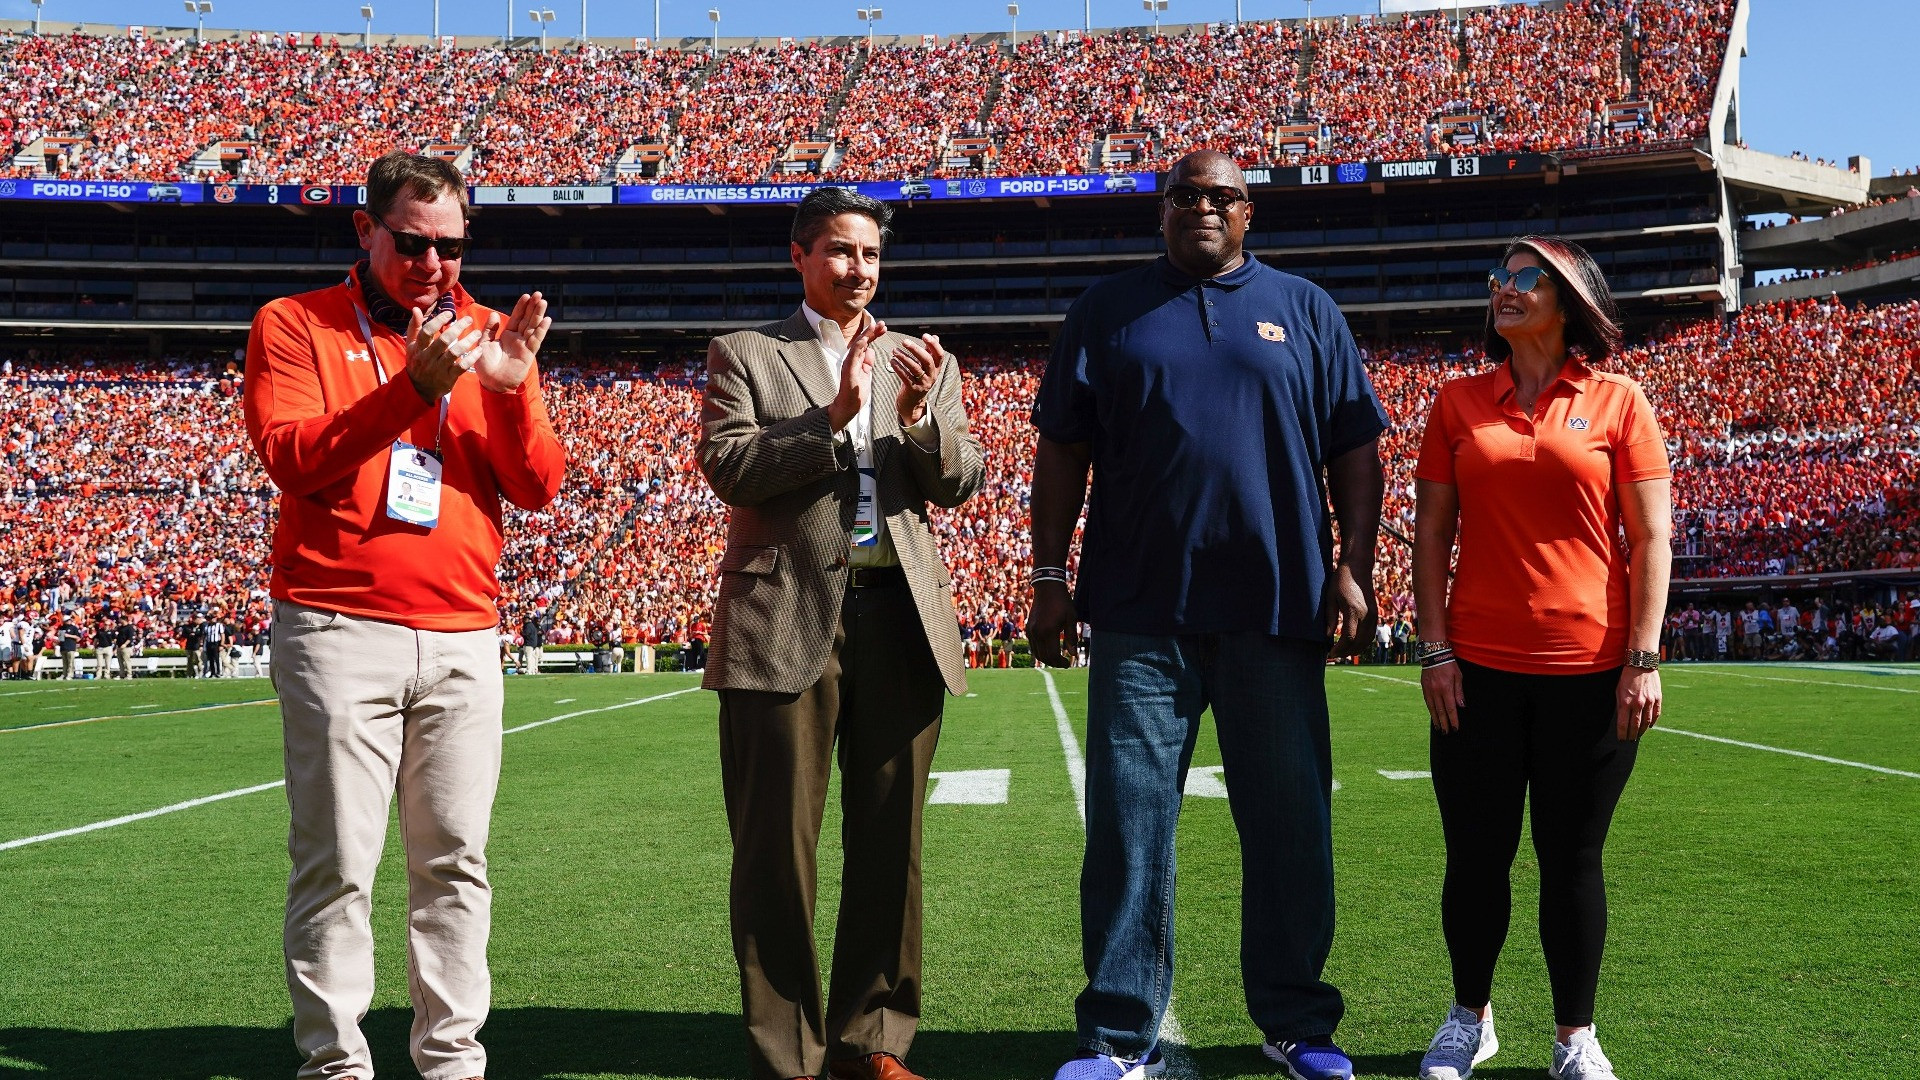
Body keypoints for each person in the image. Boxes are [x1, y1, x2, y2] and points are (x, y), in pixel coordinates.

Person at [1028, 150, 1387, 1080]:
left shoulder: (1307, 310)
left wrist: (1353, 565)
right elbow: (1062, 452)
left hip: (1277, 608)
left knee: (1289, 824)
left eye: (1221, 196)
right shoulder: (1104, 312)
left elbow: (1355, 451)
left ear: (1248, 213)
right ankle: (1116, 1034)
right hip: (1141, 613)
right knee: (1129, 826)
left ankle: (1297, 1022)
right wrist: (1046, 577)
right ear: (1162, 212)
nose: (1202, 207)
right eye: (1185, 195)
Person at [243, 150, 565, 1080]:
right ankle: (336, 1063)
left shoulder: (488, 331)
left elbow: (538, 485)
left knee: (457, 865)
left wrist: (506, 392)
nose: (434, 266)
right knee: (338, 864)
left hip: (465, 631)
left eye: (453, 247)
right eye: (414, 243)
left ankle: (453, 1061)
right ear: (364, 230)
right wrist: (411, 388)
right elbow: (295, 459)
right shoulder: (294, 324)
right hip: (339, 627)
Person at [696, 186, 985, 1080]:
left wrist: (918, 418)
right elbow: (728, 466)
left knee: (891, 844)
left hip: (900, 615)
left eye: (869, 255)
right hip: (784, 620)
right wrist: (831, 417)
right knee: (777, 850)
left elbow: (961, 480)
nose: (857, 269)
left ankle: (875, 1045)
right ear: (800, 256)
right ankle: (787, 1055)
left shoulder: (920, 358)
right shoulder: (746, 352)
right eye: (839, 252)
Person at [1411, 236, 1672, 1080]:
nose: (1504, 288)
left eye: (1525, 278)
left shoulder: (1622, 402)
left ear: (1570, 300)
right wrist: (1435, 649)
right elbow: (1431, 538)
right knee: (1476, 856)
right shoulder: (1456, 402)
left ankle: (1575, 1038)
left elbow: (1651, 537)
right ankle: (1468, 1019)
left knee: (1572, 860)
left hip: (1593, 673)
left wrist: (1643, 658)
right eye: (1497, 276)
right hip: (1476, 671)